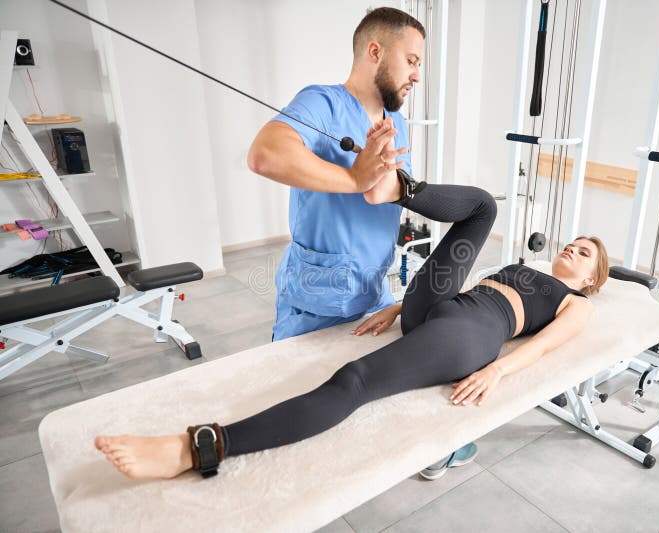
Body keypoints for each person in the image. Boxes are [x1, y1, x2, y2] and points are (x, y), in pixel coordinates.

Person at [93, 175, 609, 481]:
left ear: (591, 278)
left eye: (584, 254)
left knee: (354, 381)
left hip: (471, 334)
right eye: (574, 243)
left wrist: (497, 371)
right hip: (444, 307)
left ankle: (199, 447)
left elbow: (543, 348)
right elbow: (459, 278)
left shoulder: (576, 303)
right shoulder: (528, 269)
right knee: (482, 207)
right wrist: (402, 307)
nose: (572, 249)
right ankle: (399, 188)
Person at [246, 6, 476, 478]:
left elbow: (386, 190)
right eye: (410, 61)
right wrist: (353, 179)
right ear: (375, 51)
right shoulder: (323, 102)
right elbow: (265, 154)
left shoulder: (397, 121)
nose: (416, 75)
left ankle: (424, 448)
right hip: (317, 298)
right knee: (296, 420)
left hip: (374, 291)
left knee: (402, 389)